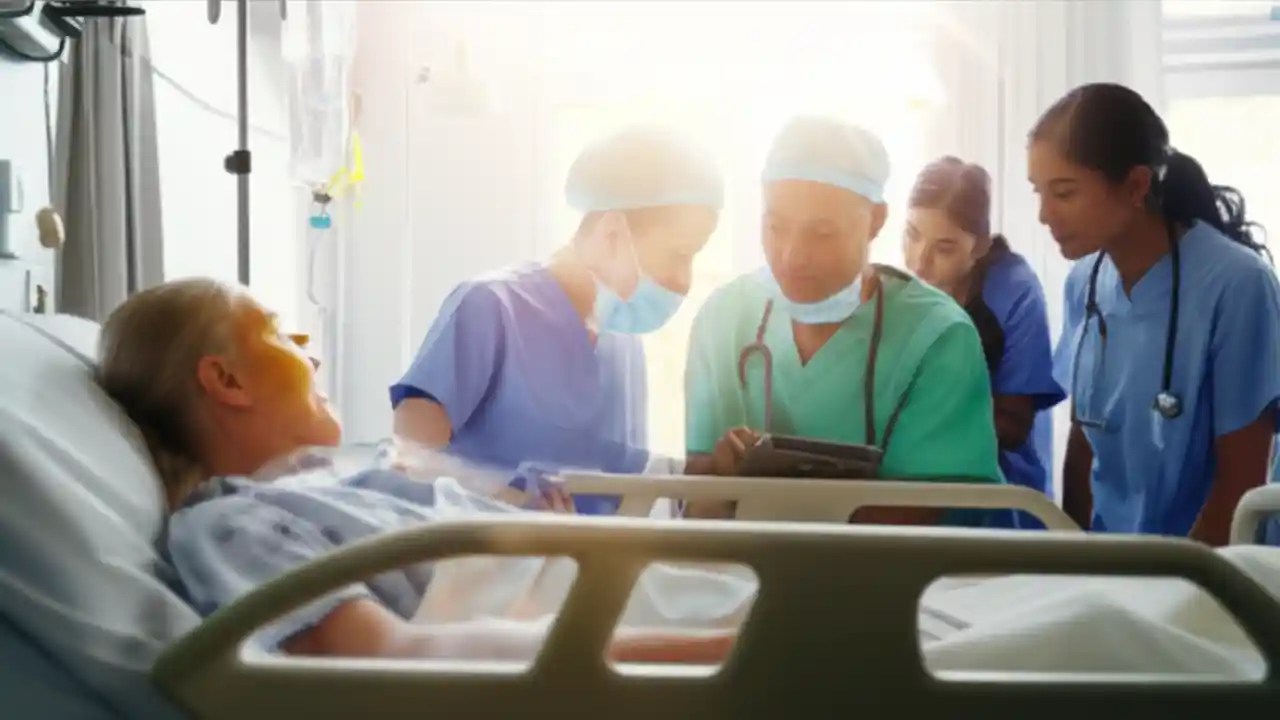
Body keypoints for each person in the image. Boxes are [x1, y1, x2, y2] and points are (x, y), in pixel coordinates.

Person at [96, 278, 737, 663]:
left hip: (644, 594)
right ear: (226, 380)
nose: (307, 352)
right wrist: (709, 655)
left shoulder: (344, 475)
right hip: (637, 638)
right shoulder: (230, 523)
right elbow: (395, 659)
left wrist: (529, 530)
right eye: (279, 332)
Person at [683, 117, 1003, 522]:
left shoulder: (937, 338)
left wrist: (764, 500)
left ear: (876, 221)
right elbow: (697, 493)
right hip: (743, 577)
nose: (792, 255)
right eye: (776, 227)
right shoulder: (724, 319)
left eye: (821, 233)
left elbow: (930, 519)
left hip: (896, 580)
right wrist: (721, 474)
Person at [391, 126, 723, 515]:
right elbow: (406, 461)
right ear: (613, 233)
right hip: (488, 565)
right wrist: (511, 506)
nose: (684, 280)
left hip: (585, 568)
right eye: (678, 254)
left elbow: (620, 493)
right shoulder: (489, 308)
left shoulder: (623, 343)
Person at [1034, 83, 1280, 546]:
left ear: (1135, 186)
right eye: (1038, 192)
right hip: (1117, 571)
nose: (1044, 215)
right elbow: (1084, 441)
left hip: (1213, 572)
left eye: (1063, 193)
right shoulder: (1084, 283)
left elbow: (1241, 483)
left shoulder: (1237, 286)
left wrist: (1174, 584)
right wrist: (1074, 562)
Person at [904, 157, 1065, 528]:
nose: (919, 263)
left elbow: (1012, 423)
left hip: (1004, 506)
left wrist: (919, 421)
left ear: (979, 247)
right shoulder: (903, 293)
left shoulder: (1014, 292)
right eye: (912, 235)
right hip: (927, 500)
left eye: (943, 248)